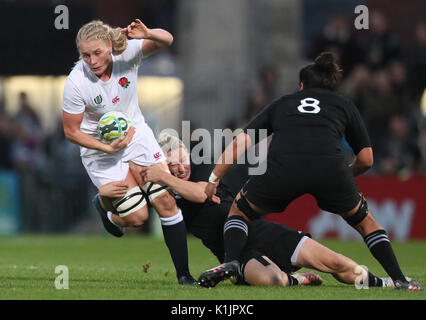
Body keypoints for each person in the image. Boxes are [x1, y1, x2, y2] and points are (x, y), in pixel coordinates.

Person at [200, 52, 424, 291]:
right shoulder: (344, 104)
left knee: (239, 211)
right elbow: (367, 159)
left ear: (302, 86)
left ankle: (232, 263)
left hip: (283, 168)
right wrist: (346, 176)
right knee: (366, 224)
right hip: (330, 168)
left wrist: (214, 178)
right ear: (331, 86)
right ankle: (400, 280)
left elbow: (240, 143)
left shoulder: (284, 103)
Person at [100, 133, 394, 288]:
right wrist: (104, 201)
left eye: (182, 161)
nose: (180, 168)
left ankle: (386, 282)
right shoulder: (165, 200)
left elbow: (202, 194)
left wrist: (163, 175)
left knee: (337, 263)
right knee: (272, 281)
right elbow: (131, 217)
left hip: (264, 233)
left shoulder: (203, 178)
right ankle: (297, 279)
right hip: (235, 255)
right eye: (172, 164)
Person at [62, 19, 196, 285]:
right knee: (137, 217)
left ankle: (184, 276)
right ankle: (106, 208)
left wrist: (148, 33)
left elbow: (167, 40)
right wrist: (107, 147)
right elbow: (71, 132)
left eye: (97, 52)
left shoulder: (128, 53)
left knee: (165, 201)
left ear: (110, 46)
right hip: (100, 149)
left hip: (136, 134)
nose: (92, 60)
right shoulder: (77, 81)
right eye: (85, 55)